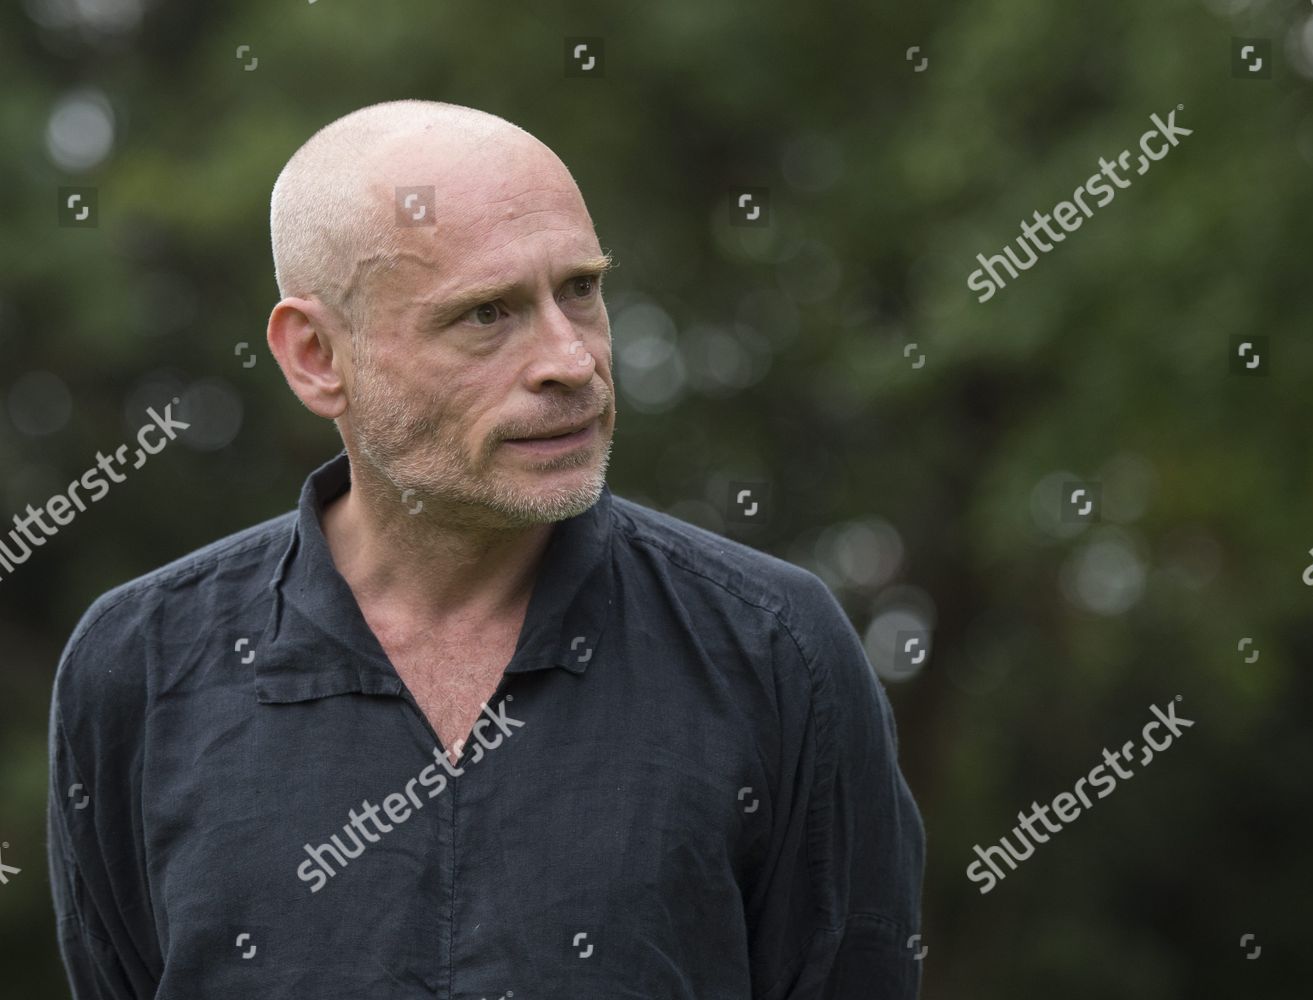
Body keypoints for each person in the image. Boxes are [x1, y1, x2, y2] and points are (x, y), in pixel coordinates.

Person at [47, 99, 925, 999]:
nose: (571, 362)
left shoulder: (776, 650)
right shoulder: (140, 669)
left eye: (580, 290)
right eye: (486, 314)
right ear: (316, 355)